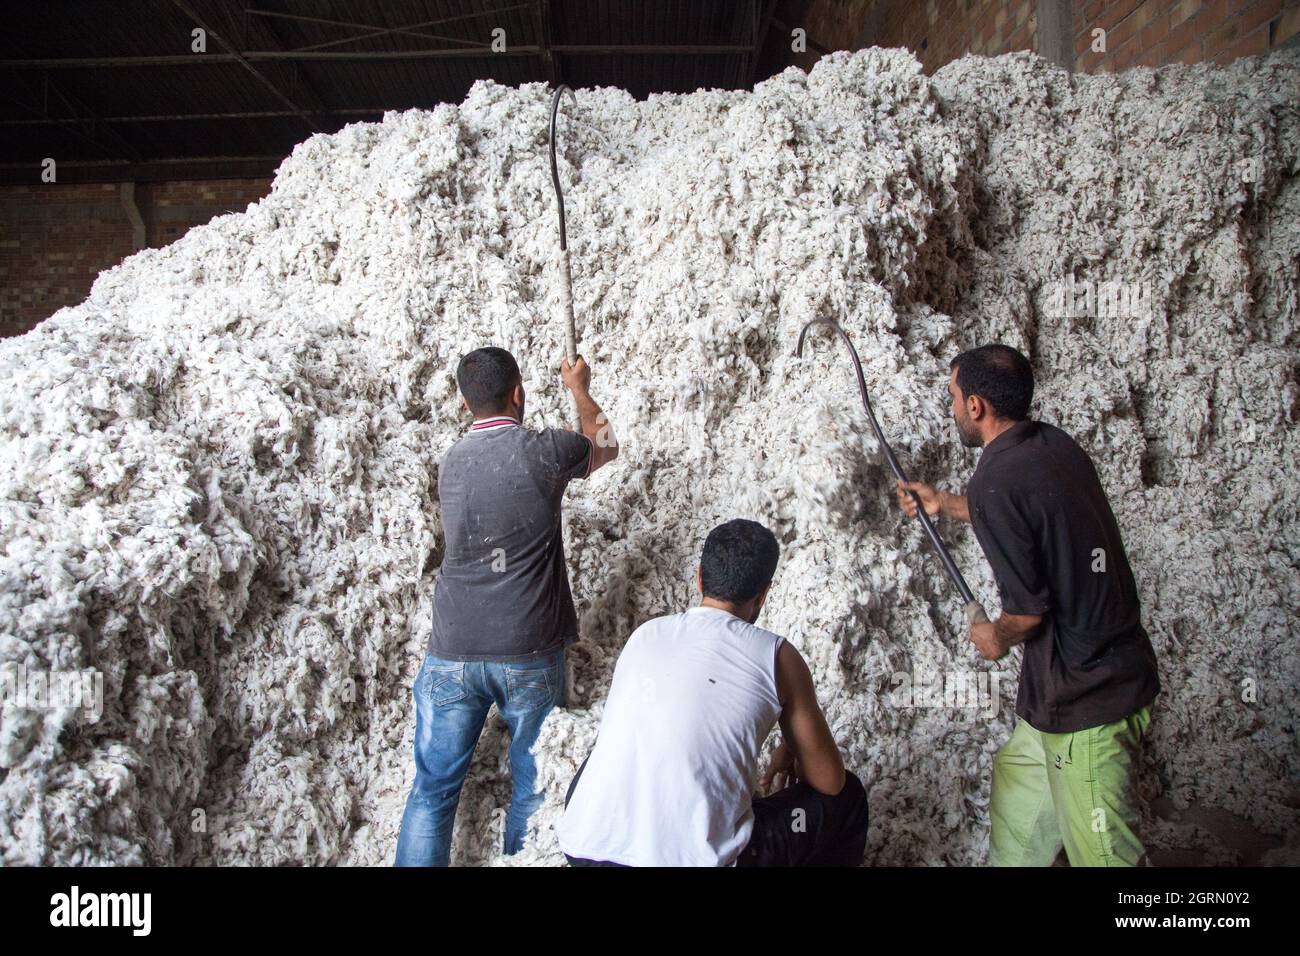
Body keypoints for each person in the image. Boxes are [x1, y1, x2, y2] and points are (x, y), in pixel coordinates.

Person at [896, 344, 1160, 867]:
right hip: (1072, 684)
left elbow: (1027, 615)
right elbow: (1024, 512)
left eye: (953, 397)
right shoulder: (1052, 446)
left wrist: (992, 637)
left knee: (1106, 855)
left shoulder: (996, 481)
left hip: (1088, 703)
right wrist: (943, 503)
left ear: (976, 406)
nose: (951, 409)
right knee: (1019, 797)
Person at [395, 346, 618, 866]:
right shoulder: (544, 450)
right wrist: (579, 389)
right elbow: (605, 445)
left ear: (464, 400)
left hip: (451, 650)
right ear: (519, 392)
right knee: (532, 788)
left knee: (430, 794)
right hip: (528, 653)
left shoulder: (450, 463)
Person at [557, 519, 868, 867]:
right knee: (849, 797)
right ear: (764, 594)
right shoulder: (778, 656)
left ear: (700, 576)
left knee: (607, 756)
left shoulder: (648, 633)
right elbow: (829, 780)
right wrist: (794, 746)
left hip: (584, 846)